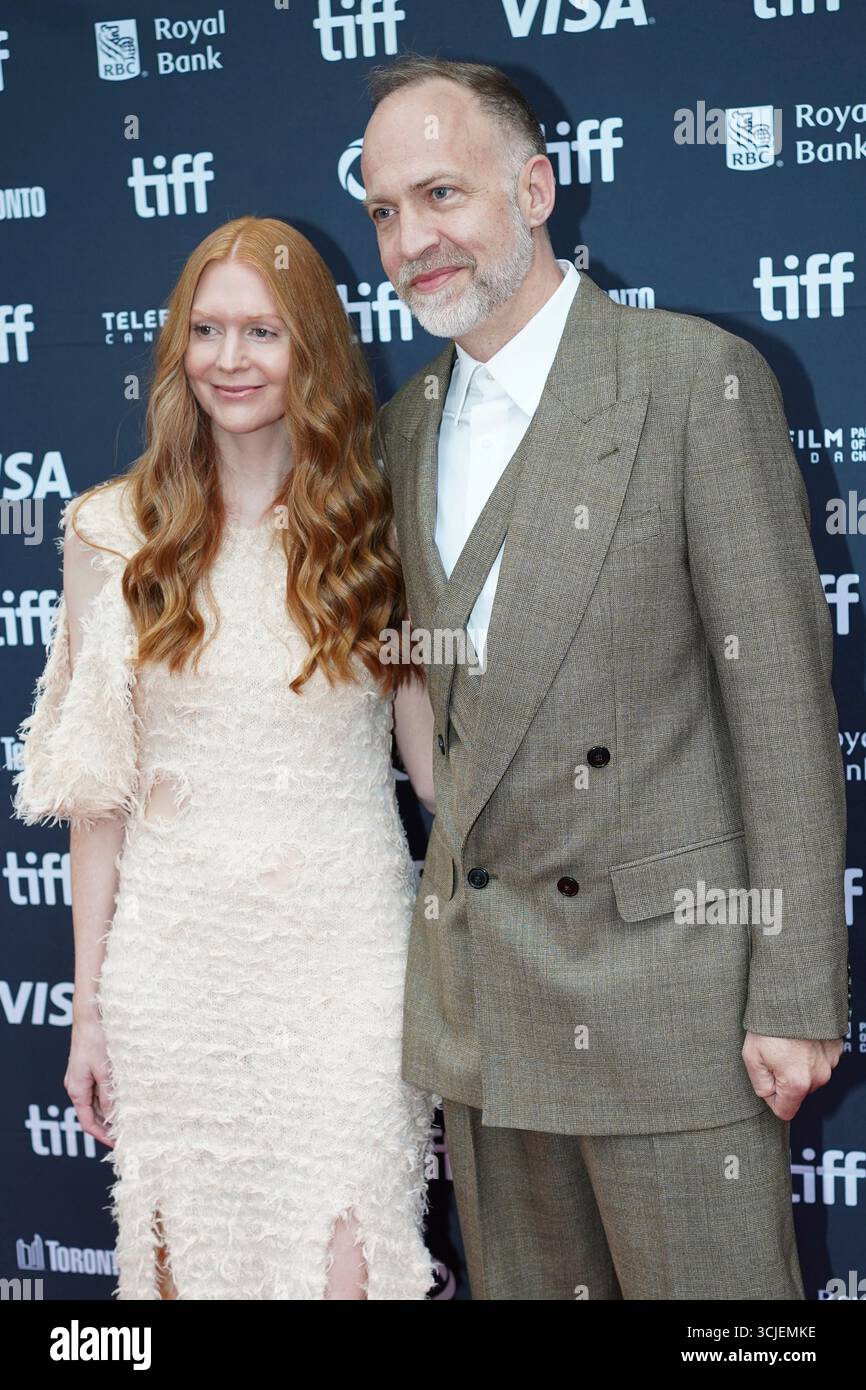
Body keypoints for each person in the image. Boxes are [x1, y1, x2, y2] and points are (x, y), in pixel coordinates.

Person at [360, 55, 848, 1300]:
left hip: (669, 1010)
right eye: (382, 210)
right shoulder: (406, 423)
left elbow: (782, 710)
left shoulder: (691, 379)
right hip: (487, 1019)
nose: (411, 240)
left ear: (533, 188)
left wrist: (792, 991)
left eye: (440, 195)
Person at [12, 215, 441, 1301]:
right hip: (176, 973)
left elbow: (435, 771)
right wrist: (88, 1009)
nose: (230, 359)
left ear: (311, 349)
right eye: (206, 330)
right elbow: (98, 801)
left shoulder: (376, 529)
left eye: (260, 331)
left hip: (346, 967)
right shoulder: (110, 531)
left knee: (348, 1267)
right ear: (177, 348)